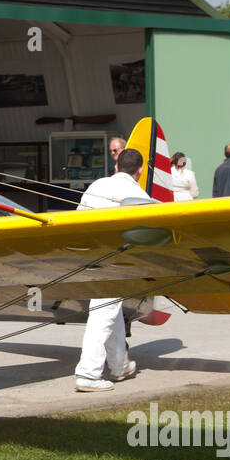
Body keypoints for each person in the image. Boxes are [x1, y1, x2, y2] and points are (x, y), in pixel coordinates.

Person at [73, 147, 153, 392]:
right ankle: (88, 374)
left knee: (111, 311)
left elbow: (77, 218)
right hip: (114, 261)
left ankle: (119, 366)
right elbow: (147, 235)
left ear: (116, 166)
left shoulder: (96, 185)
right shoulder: (138, 194)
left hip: (86, 255)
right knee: (103, 315)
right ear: (140, 171)